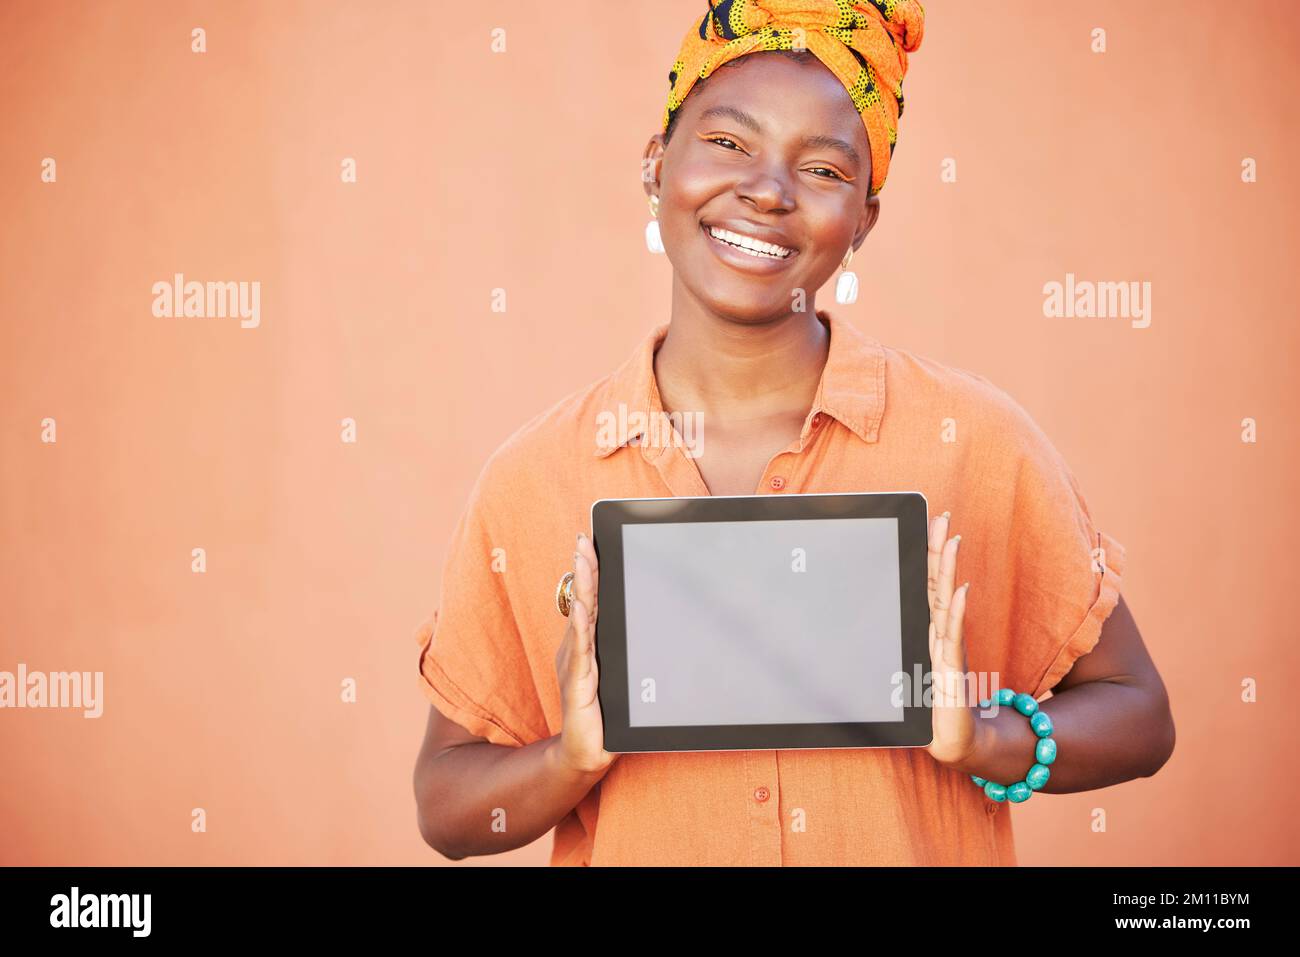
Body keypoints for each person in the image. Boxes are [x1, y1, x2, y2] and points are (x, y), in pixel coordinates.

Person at [412, 0, 1174, 866]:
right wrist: (570, 758)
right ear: (656, 163)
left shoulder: (977, 442)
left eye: (820, 169)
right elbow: (446, 804)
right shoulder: (534, 476)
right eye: (729, 144)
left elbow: (1139, 715)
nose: (768, 191)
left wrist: (983, 736)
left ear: (864, 222)